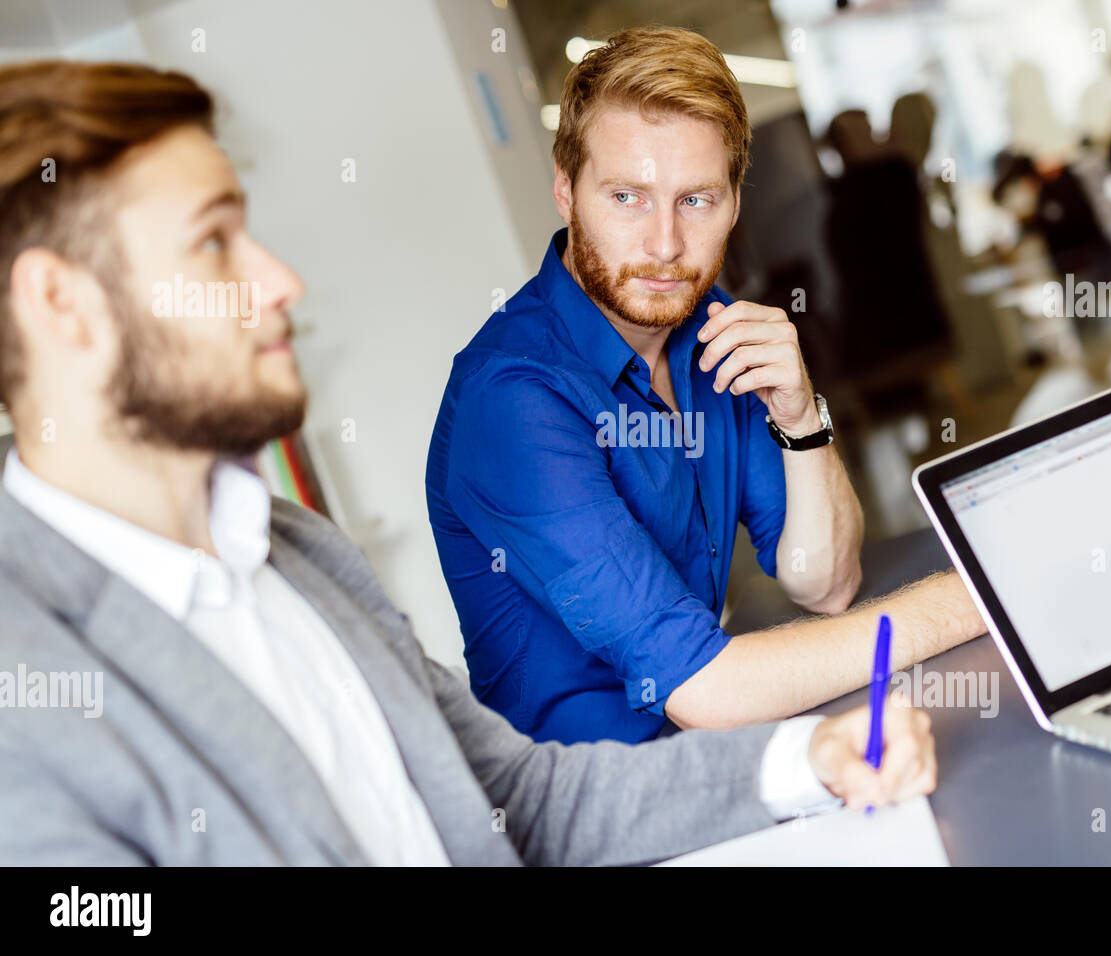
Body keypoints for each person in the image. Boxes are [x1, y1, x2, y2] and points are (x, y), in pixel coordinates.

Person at [0, 58, 937, 866]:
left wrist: (797, 762)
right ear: (60, 303)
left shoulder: (294, 550)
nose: (282, 282)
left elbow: (515, 799)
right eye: (213, 242)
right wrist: (974, 591)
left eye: (696, 199)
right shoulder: (26, 689)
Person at [426, 27, 985, 745]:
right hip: (601, 817)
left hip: (714, 759)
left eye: (696, 200)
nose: (664, 245)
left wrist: (800, 415)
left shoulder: (716, 330)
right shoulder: (509, 399)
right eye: (627, 196)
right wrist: (975, 591)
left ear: (733, 204)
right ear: (566, 193)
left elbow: (826, 584)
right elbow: (706, 690)